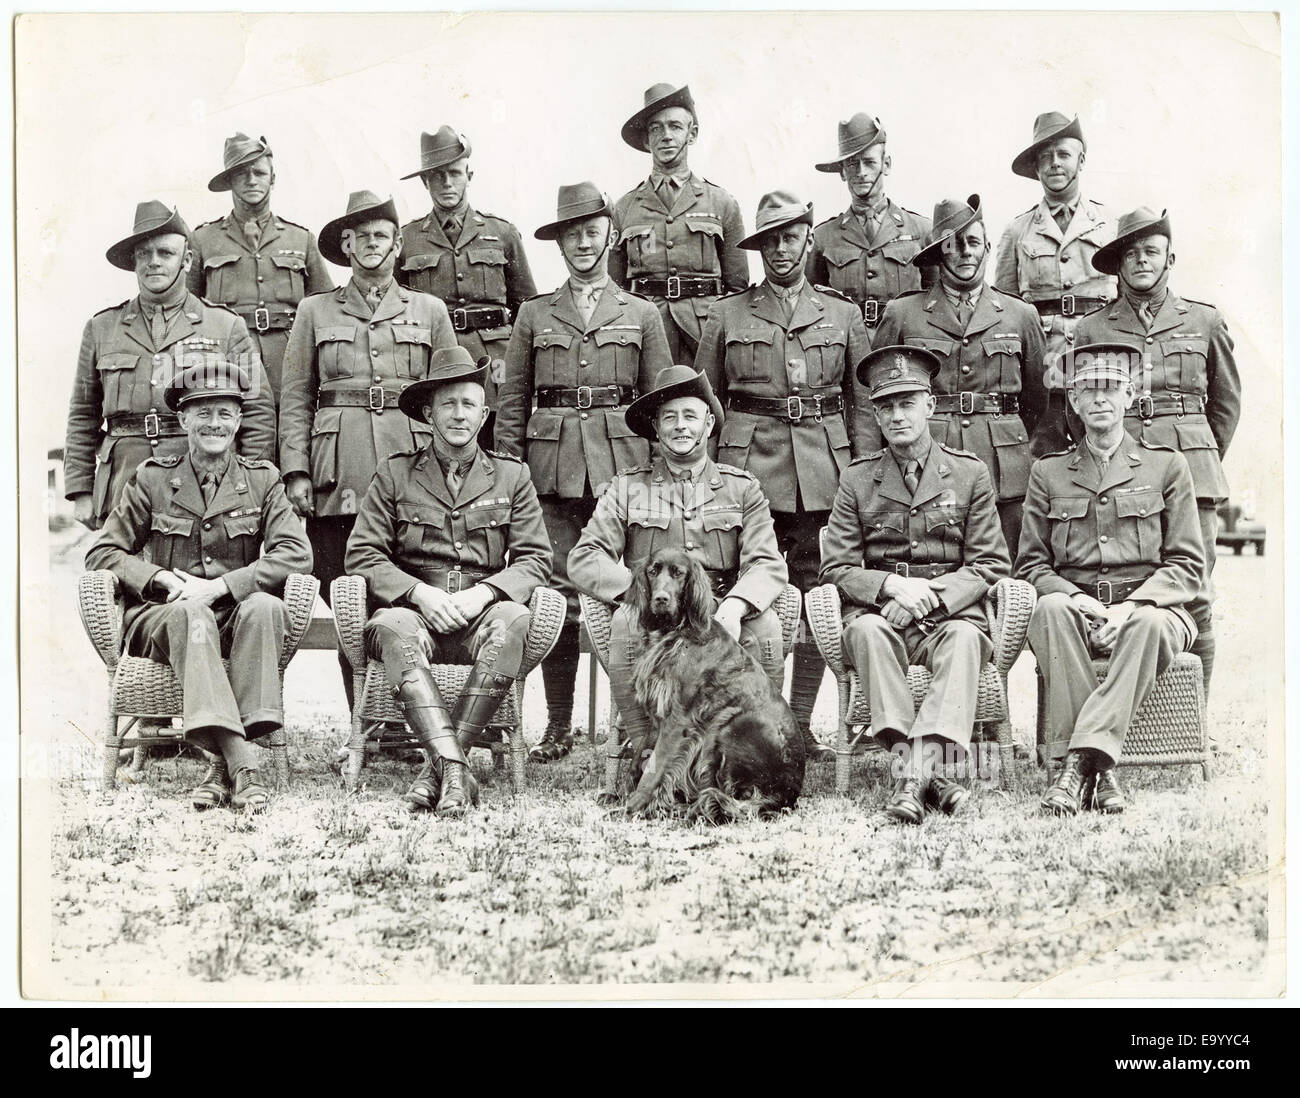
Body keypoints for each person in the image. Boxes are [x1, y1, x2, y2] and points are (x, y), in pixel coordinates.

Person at [494, 181, 672, 763]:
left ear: (611, 236)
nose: (582, 244)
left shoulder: (643, 314)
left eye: (591, 232)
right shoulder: (533, 313)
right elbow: (515, 399)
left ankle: (638, 724)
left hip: (625, 470)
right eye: (571, 235)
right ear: (559, 244)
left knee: (639, 593)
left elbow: (660, 399)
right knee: (558, 594)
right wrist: (509, 472)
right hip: (551, 470)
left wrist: (659, 473)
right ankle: (561, 725)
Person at [84, 360, 312, 812]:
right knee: (191, 615)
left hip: (228, 613)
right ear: (183, 419)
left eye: (225, 413)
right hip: (163, 619)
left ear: (240, 420)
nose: (215, 424)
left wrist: (223, 587)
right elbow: (103, 552)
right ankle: (243, 763)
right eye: (203, 412)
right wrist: (160, 578)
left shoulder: (263, 479)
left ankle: (218, 769)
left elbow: (296, 552)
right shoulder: (152, 478)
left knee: (265, 608)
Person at [696, 190, 872, 761]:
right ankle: (758, 719)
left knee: (820, 596)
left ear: (809, 236)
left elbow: (862, 404)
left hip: (825, 471)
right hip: (750, 474)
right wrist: (713, 479)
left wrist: (861, 476)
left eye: (790, 236)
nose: (779, 249)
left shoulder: (842, 314)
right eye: (768, 239)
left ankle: (798, 719)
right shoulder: (728, 314)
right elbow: (705, 403)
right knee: (758, 600)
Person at [343, 348, 552, 817]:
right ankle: (457, 774)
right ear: (427, 413)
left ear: (484, 413)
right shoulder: (395, 473)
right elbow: (361, 553)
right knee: (392, 627)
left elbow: (537, 558)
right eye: (448, 404)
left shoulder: (513, 476)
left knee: (515, 619)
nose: (459, 414)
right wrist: (418, 592)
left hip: (482, 612)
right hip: (416, 610)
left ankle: (440, 770)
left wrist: (485, 593)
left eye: (469, 404)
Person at [278, 190, 458, 705]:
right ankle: (364, 717)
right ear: (346, 246)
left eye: (383, 235)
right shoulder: (315, 310)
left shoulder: (429, 309)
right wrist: (296, 471)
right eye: (362, 238)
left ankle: (415, 716)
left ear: (399, 245)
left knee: (416, 590)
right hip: (340, 473)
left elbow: (450, 392)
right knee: (349, 598)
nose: (373, 245)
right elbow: (295, 396)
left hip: (414, 467)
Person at [820, 345, 1012, 823]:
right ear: (875, 413)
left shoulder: (969, 473)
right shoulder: (858, 479)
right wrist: (889, 587)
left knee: (968, 640)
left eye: (907, 403)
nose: (896, 415)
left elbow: (990, 562)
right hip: (882, 618)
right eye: (885, 406)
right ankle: (934, 777)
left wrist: (929, 597)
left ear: (930, 405)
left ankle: (911, 780)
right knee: (862, 634)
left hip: (949, 618)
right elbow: (836, 568)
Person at [568, 365, 790, 777]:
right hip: (656, 608)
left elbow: (766, 560)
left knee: (768, 628)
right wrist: (638, 596)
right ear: (655, 427)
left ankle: (756, 752)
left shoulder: (742, 487)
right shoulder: (628, 487)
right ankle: (649, 755)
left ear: (709, 424)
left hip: (719, 606)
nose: (680, 426)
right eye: (669, 417)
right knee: (624, 624)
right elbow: (586, 556)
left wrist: (736, 607)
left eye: (690, 415)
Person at [1016, 343, 1206, 816]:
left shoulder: (1167, 465)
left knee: (1147, 625)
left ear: (1130, 396)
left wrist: (1133, 606)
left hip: (1151, 611)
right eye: (1087, 389)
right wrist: (1076, 598)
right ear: (1074, 403)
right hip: (1078, 612)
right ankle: (1103, 773)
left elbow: (1187, 564)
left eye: (1111, 388)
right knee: (1049, 608)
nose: (1100, 398)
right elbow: (1032, 566)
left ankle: (1076, 766)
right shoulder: (1048, 473)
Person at [1073, 208, 1240, 691]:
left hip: (1193, 471)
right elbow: (1075, 408)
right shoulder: (1093, 329)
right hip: (1121, 476)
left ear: (1170, 257)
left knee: (1198, 594)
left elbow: (1225, 405)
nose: (1142, 260)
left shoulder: (1205, 320)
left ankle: (1195, 718)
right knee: (1128, 588)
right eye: (1131, 253)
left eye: (1151, 251)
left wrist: (1199, 459)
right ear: (1117, 266)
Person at [65, 200, 276, 530]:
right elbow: (82, 413)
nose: (153, 262)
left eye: (165, 253)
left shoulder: (226, 326)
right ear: (134, 263)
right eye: (144, 254)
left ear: (187, 260)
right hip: (124, 478)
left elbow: (258, 409)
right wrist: (80, 489)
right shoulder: (102, 328)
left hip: (205, 479)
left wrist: (254, 484)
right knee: (121, 575)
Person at [874, 194, 1046, 555]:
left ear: (986, 247)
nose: (966, 252)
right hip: (929, 455)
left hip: (1004, 464)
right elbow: (883, 391)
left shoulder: (1020, 315)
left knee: (1008, 566)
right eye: (955, 245)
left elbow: (1037, 402)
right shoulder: (904, 313)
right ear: (940, 254)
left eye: (973, 243)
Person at [397, 126, 537, 446]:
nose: (447, 182)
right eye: (437, 175)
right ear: (425, 181)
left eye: (455, 173)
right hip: (436, 363)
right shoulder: (406, 241)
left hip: (497, 366)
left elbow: (527, 310)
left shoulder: (502, 233)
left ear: (468, 175)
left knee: (497, 448)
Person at [994, 112, 1116, 456]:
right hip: (1042, 371)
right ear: (1035, 167)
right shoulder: (1017, 232)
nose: (1054, 164)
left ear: (1081, 158)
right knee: (1042, 468)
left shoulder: (1110, 226)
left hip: (1101, 363)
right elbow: (1004, 313)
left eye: (1063, 154)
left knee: (1105, 463)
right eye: (1045, 157)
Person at [608, 83, 748, 367]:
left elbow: (737, 288)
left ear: (692, 134)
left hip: (705, 335)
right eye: (656, 128)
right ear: (646, 140)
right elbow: (614, 289)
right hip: (647, 334)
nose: (666, 136)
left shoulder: (722, 204)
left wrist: (721, 336)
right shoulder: (623, 209)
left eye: (675, 126)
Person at [189, 133, 333, 406]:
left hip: (289, 363)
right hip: (226, 363)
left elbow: (326, 312)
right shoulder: (203, 240)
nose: (252, 179)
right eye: (242, 173)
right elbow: (187, 312)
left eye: (259, 172)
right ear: (230, 180)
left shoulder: (300, 239)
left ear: (273, 179)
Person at [805, 111, 935, 330]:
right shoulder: (822, 237)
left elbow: (936, 302)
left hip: (904, 348)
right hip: (845, 348)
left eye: (869, 162)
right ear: (842, 172)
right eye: (852, 164)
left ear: (886, 165)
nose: (861, 172)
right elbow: (812, 306)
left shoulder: (922, 231)